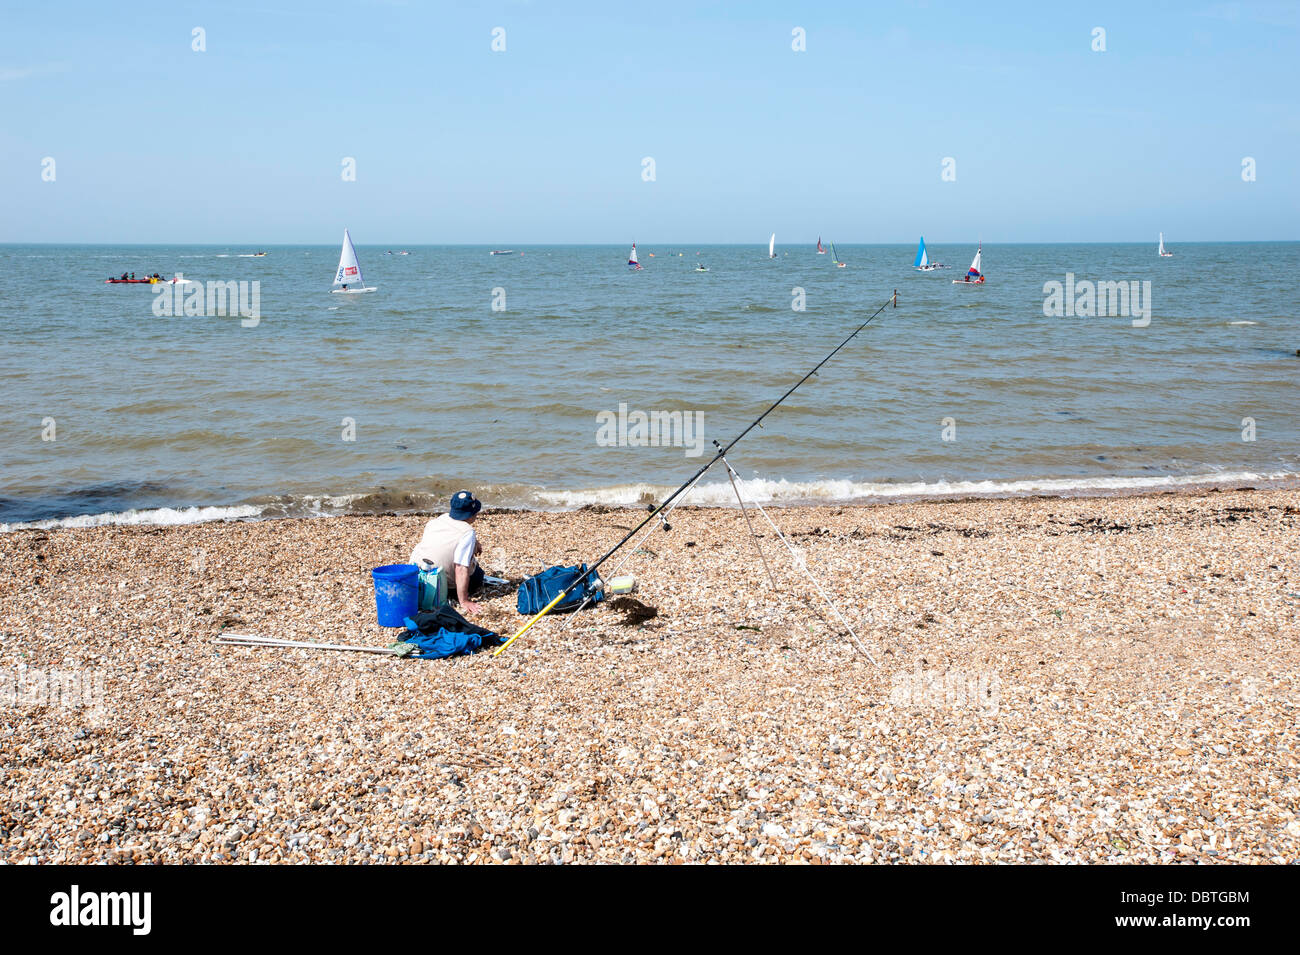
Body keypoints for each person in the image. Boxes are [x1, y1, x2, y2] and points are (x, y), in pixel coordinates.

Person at [409, 490, 485, 614]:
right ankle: (451, 595)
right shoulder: (467, 532)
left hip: (418, 575)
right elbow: (460, 568)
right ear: (471, 515)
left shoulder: (440, 519)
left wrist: (475, 542)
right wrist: (464, 601)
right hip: (441, 583)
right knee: (478, 575)